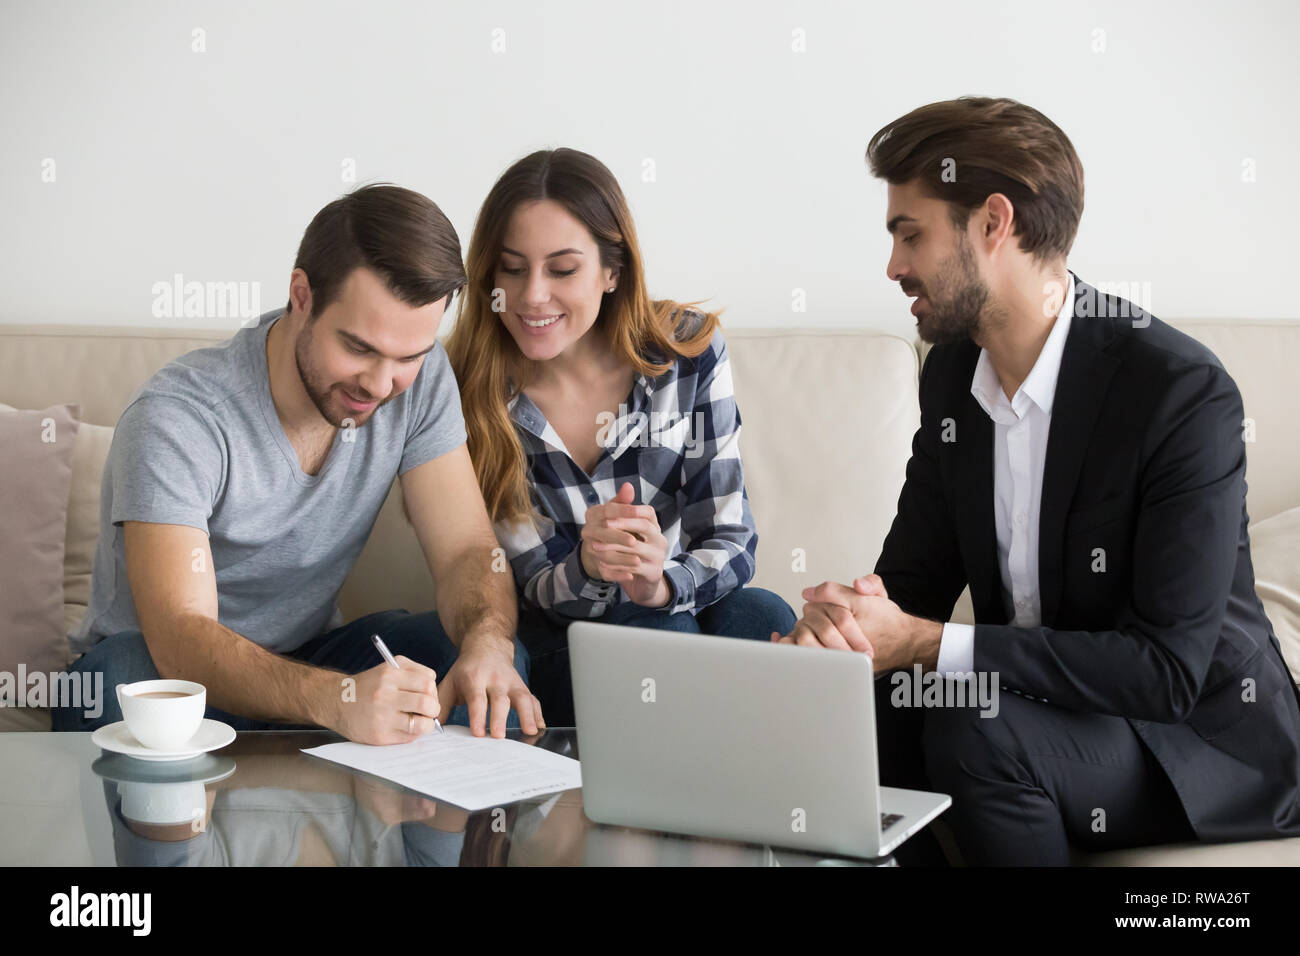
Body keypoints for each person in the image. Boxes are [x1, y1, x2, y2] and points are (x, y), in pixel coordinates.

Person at [775, 97, 1300, 865]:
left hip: (1189, 739)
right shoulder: (956, 375)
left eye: (909, 233)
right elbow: (912, 581)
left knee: (973, 721)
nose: (893, 266)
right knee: (850, 713)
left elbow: (1164, 673)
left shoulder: (1177, 392)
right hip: (1035, 709)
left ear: (994, 223)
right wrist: (845, 630)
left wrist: (925, 643)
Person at [53, 184, 543, 743]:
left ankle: (454, 825)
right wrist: (338, 701)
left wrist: (488, 644)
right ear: (301, 295)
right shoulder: (178, 418)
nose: (382, 384)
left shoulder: (422, 382)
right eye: (359, 348)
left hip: (313, 658)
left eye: (408, 357)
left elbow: (465, 551)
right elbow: (181, 635)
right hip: (167, 674)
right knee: (118, 681)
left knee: (481, 665)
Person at [446, 148, 795, 725]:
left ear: (613, 272)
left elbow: (731, 538)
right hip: (564, 638)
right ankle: (691, 800)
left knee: (761, 615)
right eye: (512, 268)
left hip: (677, 603)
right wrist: (591, 563)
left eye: (562, 269)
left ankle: (759, 802)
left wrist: (658, 582)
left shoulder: (686, 351)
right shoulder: (471, 390)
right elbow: (527, 582)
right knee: (660, 631)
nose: (533, 295)